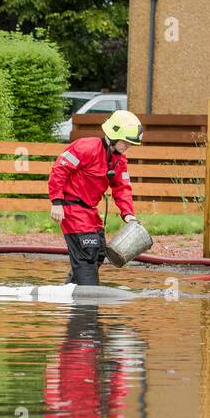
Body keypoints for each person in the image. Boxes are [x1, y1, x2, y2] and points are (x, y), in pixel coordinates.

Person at [47, 108, 143, 286]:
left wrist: (128, 215)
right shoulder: (85, 147)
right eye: (126, 143)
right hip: (71, 208)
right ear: (114, 137)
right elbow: (60, 169)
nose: (128, 148)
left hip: (90, 212)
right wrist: (56, 202)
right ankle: (88, 306)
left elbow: (122, 188)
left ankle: (72, 291)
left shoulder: (119, 161)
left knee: (98, 253)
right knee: (87, 252)